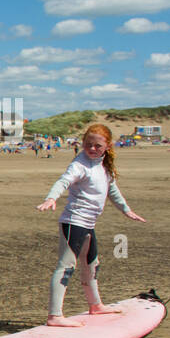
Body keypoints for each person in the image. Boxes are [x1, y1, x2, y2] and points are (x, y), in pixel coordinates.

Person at [36, 123, 146, 326]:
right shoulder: (80, 165)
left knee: (91, 265)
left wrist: (126, 210)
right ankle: (55, 316)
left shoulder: (103, 166)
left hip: (88, 224)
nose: (92, 149)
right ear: (83, 144)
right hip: (73, 222)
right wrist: (51, 198)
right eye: (88, 145)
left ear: (108, 147)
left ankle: (95, 305)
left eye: (97, 145)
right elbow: (63, 181)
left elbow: (112, 189)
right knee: (66, 266)